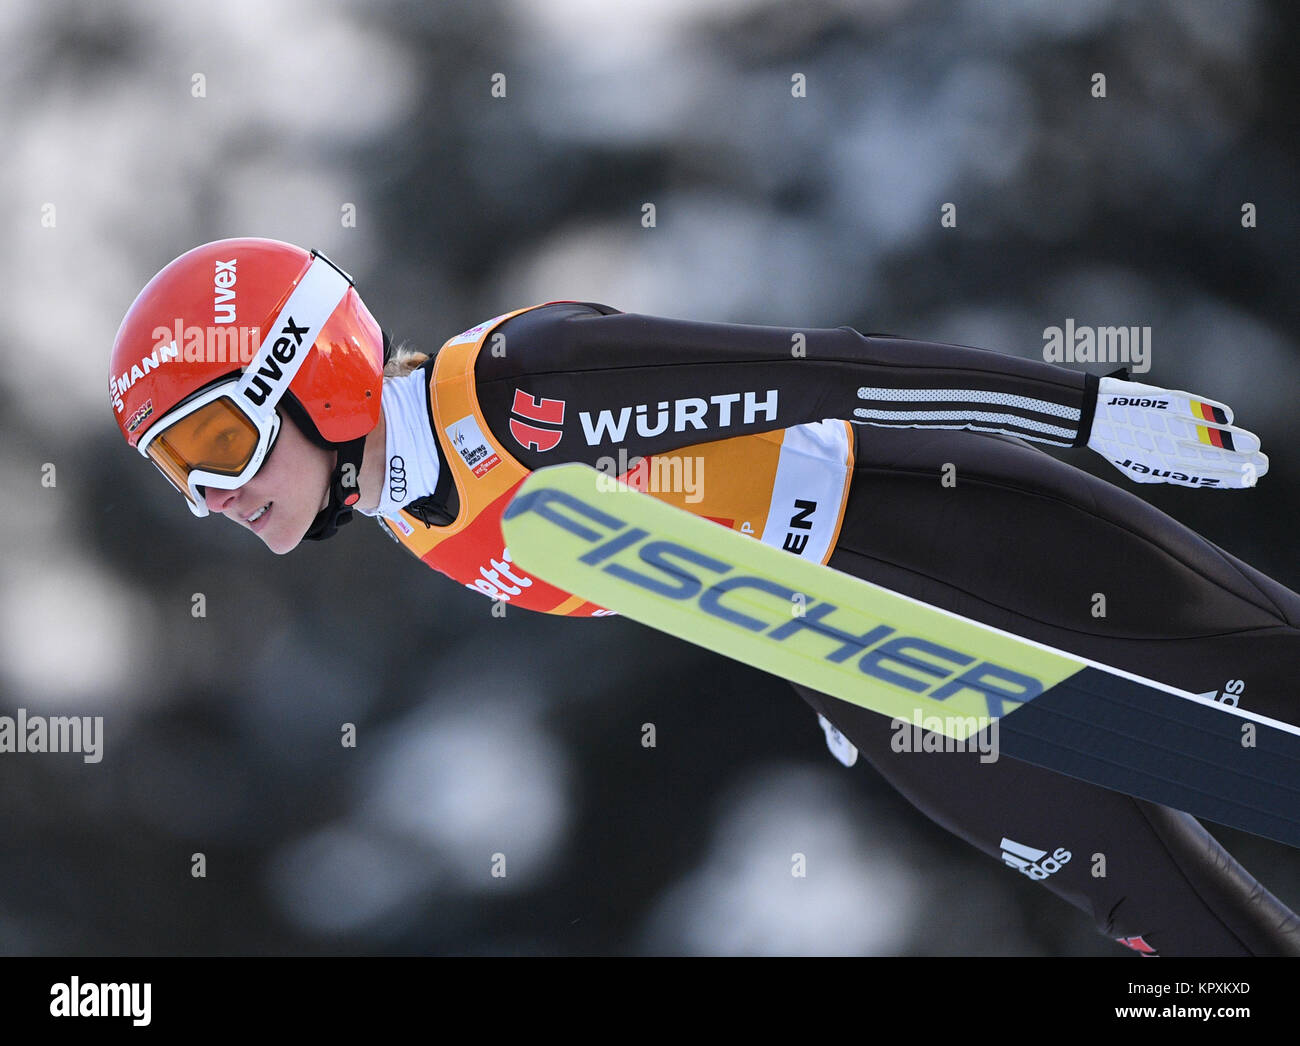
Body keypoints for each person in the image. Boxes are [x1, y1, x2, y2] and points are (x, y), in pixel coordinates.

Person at [110, 237, 1300, 955]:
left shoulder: (518, 389)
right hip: (871, 664)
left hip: (948, 531)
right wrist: (817, 669)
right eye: (175, 472)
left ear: (304, 367)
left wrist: (1087, 411)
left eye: (215, 438)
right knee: (1164, 925)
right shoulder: (423, 526)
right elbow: (688, 572)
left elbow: (827, 370)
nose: (212, 493)